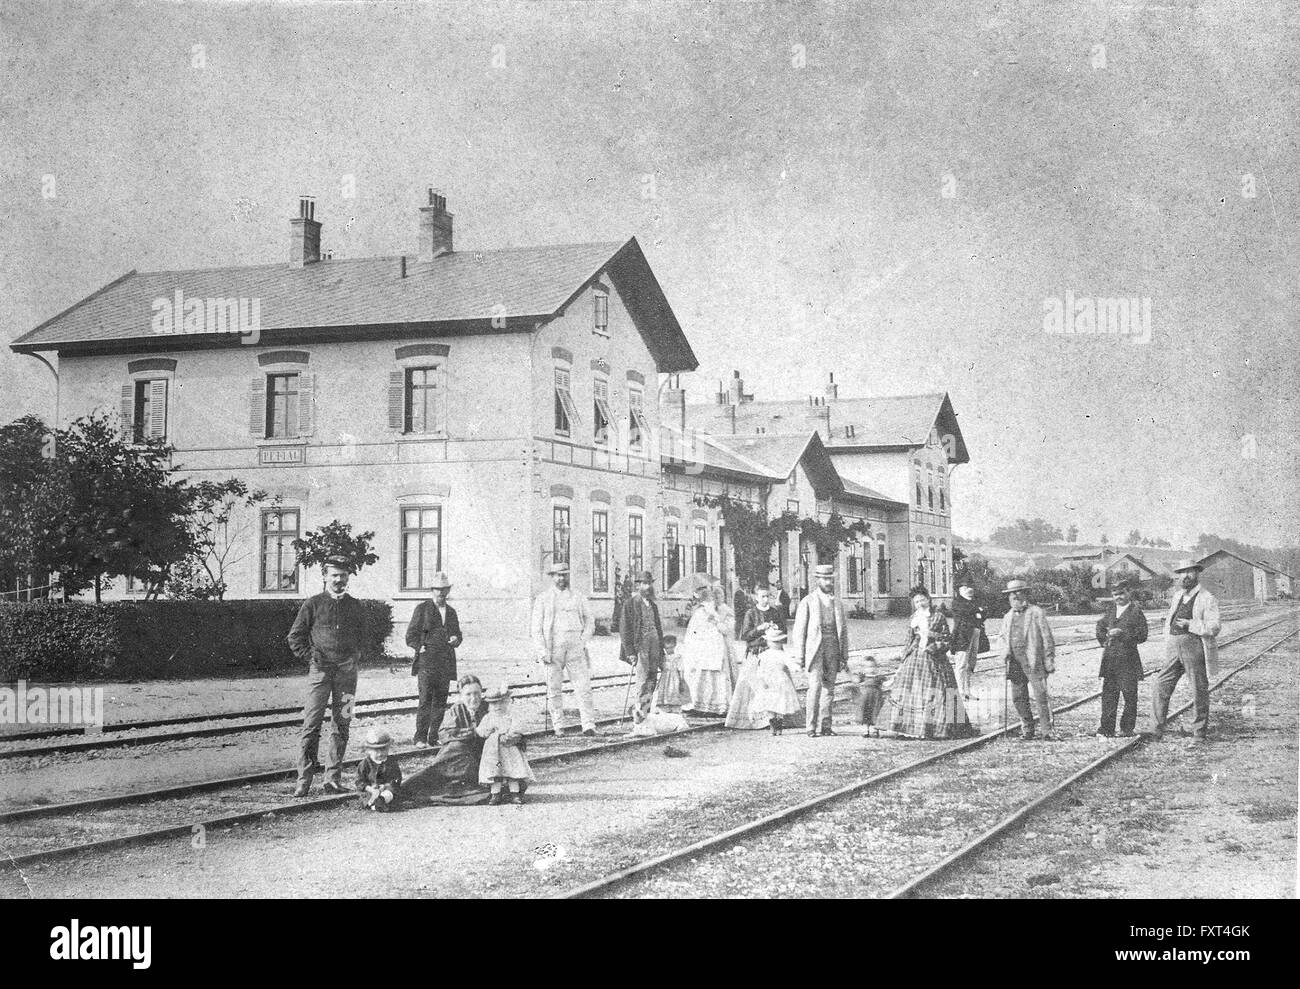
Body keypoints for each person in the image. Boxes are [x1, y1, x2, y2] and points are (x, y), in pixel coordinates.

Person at [288, 556, 366, 797]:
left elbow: (365, 638)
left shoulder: (356, 606)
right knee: (311, 725)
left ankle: (333, 778)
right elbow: (295, 637)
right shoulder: (313, 604)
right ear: (325, 576)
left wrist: (354, 658)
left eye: (343, 575)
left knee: (342, 724)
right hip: (319, 674)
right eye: (334, 575)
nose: (339, 579)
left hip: (347, 676)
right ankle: (304, 780)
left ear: (348, 578)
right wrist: (312, 657)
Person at [887, 586, 976, 739]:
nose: (920, 604)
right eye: (916, 602)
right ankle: (911, 728)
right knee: (911, 692)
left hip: (935, 659)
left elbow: (947, 639)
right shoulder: (913, 618)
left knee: (939, 692)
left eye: (922, 600)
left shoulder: (938, 616)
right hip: (915, 660)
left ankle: (937, 729)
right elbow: (909, 639)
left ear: (928, 599)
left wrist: (932, 643)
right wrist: (905, 657)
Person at [1151, 560, 1221, 746]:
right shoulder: (1177, 596)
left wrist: (1191, 625)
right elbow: (1170, 620)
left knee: (1198, 688)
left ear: (1197, 573)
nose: (1185, 576)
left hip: (1194, 644)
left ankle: (1199, 732)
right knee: (1161, 684)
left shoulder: (1207, 598)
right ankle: (1156, 729)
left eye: (1189, 572)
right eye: (1182, 573)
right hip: (1174, 645)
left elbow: (1214, 627)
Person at [531, 563, 597, 738]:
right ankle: (558, 725)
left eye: (565, 575)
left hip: (575, 647)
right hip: (553, 648)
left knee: (583, 687)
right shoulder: (543, 598)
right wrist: (542, 650)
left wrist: (583, 641)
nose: (562, 579)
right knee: (553, 688)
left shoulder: (578, 597)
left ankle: (588, 724)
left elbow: (590, 621)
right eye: (558, 575)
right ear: (552, 577)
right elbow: (536, 628)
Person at [790, 563, 849, 737]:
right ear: (818, 580)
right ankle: (810, 726)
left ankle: (826, 725)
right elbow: (799, 631)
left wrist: (844, 655)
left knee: (829, 689)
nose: (829, 582)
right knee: (814, 687)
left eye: (830, 579)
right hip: (815, 650)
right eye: (825, 579)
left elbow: (843, 630)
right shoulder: (807, 601)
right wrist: (799, 657)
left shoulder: (837, 602)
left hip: (833, 648)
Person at [406, 572, 462, 748]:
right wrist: (418, 647)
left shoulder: (451, 612)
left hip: (445, 662)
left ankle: (433, 736)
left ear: (448, 590)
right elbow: (410, 635)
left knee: (440, 700)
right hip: (427, 662)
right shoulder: (422, 609)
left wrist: (456, 639)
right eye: (438, 589)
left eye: (444, 589)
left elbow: (458, 634)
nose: (441, 593)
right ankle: (420, 737)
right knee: (425, 700)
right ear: (432, 590)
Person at [997, 578, 1057, 741]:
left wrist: (1049, 659)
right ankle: (1027, 728)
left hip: (1034, 660)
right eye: (1011, 594)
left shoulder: (1036, 612)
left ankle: (1047, 730)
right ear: (1008, 597)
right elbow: (1002, 638)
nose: (1015, 596)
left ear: (1025, 594)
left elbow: (1047, 638)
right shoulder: (1008, 616)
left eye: (1018, 592)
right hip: (1015, 662)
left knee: (1041, 696)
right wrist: (1005, 652)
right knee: (1018, 697)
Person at [1094, 578, 1149, 737]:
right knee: (1109, 695)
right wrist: (1104, 637)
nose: (1118, 597)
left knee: (1129, 695)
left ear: (1128, 592)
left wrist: (1123, 634)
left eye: (1121, 593)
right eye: (1115, 594)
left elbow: (1143, 635)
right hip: (1110, 659)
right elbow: (1100, 625)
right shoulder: (1111, 610)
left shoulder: (1136, 611)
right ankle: (1106, 728)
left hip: (1128, 659)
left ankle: (1126, 728)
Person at [422, 675, 489, 789]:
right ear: (461, 696)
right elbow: (445, 734)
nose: (473, 698)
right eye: (468, 694)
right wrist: (473, 732)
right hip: (462, 758)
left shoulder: (488, 707)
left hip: (486, 755)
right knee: (455, 747)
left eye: (477, 693)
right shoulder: (456, 710)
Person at [682, 585, 736, 716]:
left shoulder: (726, 611)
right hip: (705, 651)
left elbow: (728, 630)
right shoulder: (701, 611)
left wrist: (716, 621)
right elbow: (694, 632)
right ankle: (701, 705)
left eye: (719, 596)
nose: (717, 599)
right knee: (703, 677)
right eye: (714, 596)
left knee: (719, 677)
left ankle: (720, 706)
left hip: (720, 650)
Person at [619, 570, 665, 723]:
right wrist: (630, 652)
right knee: (642, 679)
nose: (648, 587)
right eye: (645, 583)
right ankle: (639, 716)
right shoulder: (630, 604)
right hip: (641, 647)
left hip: (655, 646)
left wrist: (662, 651)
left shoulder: (653, 605)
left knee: (652, 678)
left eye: (650, 583)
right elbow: (625, 630)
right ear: (637, 585)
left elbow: (658, 628)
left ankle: (646, 710)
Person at [477, 684, 533, 805]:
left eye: (501, 703)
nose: (497, 706)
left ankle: (515, 794)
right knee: (496, 772)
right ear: (489, 705)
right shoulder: (488, 717)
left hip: (509, 749)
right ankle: (495, 794)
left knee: (512, 771)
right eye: (494, 704)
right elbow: (480, 731)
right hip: (493, 751)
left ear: (507, 702)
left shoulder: (510, 716)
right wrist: (487, 731)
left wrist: (510, 734)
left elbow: (518, 727)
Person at [752, 626, 802, 735]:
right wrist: (762, 680)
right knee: (770, 704)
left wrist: (797, 668)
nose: (776, 644)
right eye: (773, 642)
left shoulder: (783, 654)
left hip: (781, 680)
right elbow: (760, 670)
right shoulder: (764, 655)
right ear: (768, 642)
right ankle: (772, 726)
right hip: (768, 681)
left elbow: (790, 663)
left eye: (778, 642)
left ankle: (779, 727)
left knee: (780, 703)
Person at [949, 577, 988, 700]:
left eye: (970, 587)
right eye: (965, 588)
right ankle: (960, 692)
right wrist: (977, 612)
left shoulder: (975, 602)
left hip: (976, 633)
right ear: (959, 590)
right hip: (962, 636)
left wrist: (977, 613)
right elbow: (969, 613)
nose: (969, 590)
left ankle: (967, 691)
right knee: (961, 664)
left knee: (971, 663)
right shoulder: (957, 603)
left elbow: (983, 614)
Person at [355, 727, 403, 812]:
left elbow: (397, 778)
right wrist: (372, 789)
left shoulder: (391, 762)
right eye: (376, 751)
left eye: (384, 750)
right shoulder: (365, 764)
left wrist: (385, 786)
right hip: (370, 790)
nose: (380, 753)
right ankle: (376, 805)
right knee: (365, 797)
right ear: (368, 750)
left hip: (386, 789)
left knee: (393, 791)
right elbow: (359, 782)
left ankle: (381, 801)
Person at [739, 585, 786, 656]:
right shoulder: (750, 613)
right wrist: (758, 628)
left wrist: (775, 626)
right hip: (756, 651)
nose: (766, 599)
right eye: (763, 597)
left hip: (773, 650)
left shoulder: (774, 612)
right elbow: (745, 636)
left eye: (768, 596)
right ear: (757, 598)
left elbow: (784, 629)